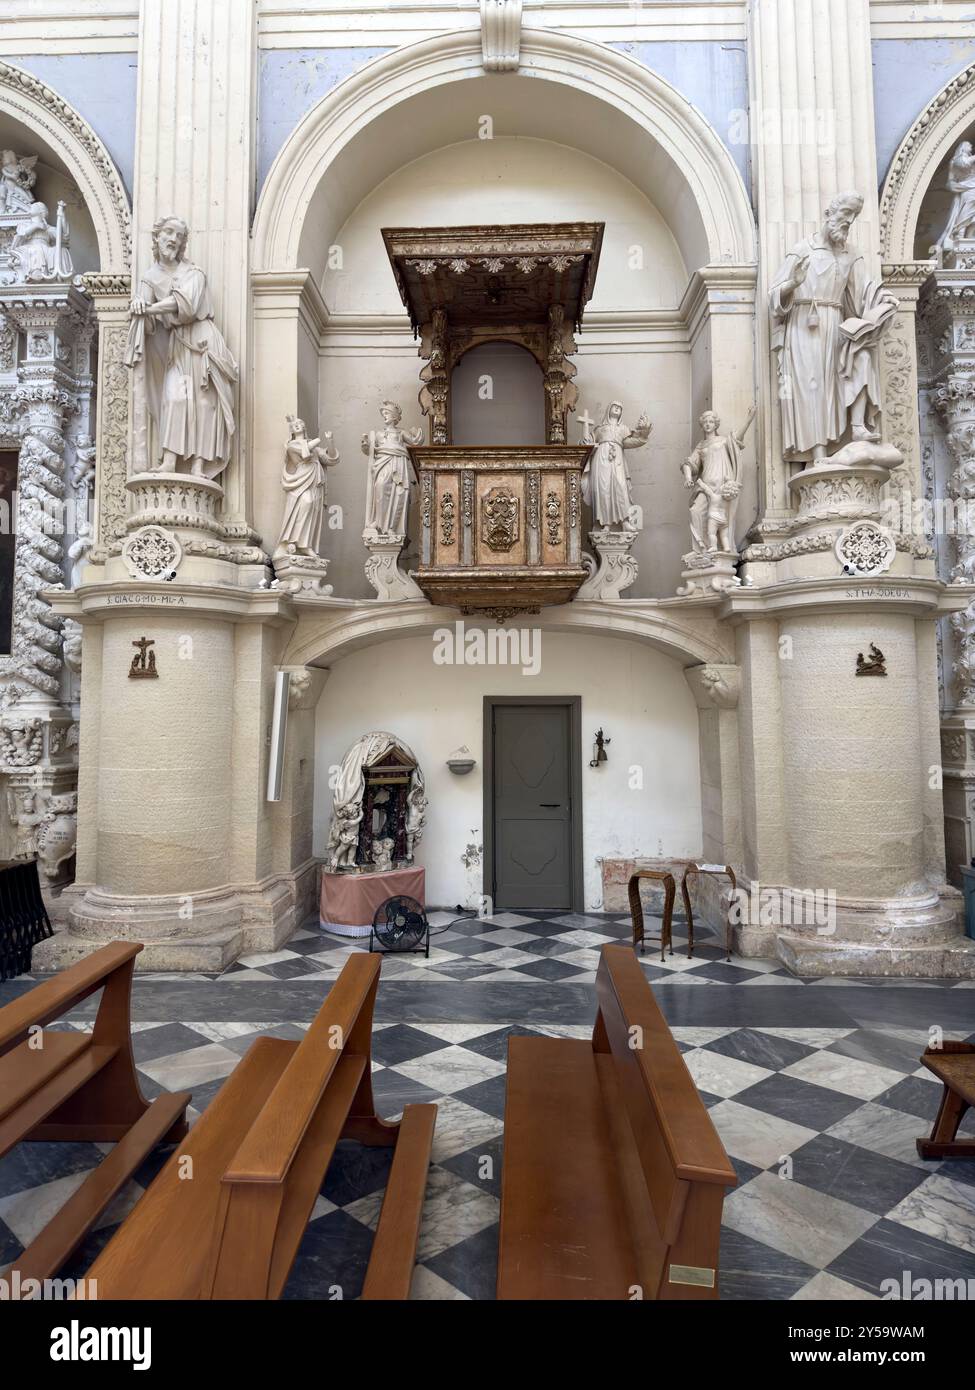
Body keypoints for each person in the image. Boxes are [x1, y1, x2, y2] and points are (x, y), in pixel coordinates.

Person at [770, 191, 897, 462]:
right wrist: (793, 283)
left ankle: (857, 427)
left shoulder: (852, 255)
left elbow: (863, 293)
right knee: (811, 387)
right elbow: (773, 299)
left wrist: (882, 301)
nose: (848, 221)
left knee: (858, 361)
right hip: (804, 326)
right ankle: (818, 454)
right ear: (829, 214)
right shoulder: (803, 249)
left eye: (853, 217)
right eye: (845, 214)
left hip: (837, 326)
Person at [125, 214, 238, 478]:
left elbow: (184, 305)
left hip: (203, 340)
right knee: (175, 397)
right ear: (156, 236)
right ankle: (169, 461)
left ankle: (199, 464)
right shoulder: (150, 277)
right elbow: (140, 308)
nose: (174, 239)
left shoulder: (193, 273)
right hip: (177, 345)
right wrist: (138, 305)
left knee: (203, 402)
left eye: (179, 236)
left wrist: (148, 308)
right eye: (168, 232)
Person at [683, 406, 756, 554]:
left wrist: (748, 420)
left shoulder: (724, 441)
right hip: (705, 486)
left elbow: (737, 439)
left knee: (724, 520)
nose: (708, 424)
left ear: (716, 424)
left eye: (711, 421)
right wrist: (688, 477)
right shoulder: (701, 445)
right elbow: (688, 463)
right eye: (705, 422)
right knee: (695, 511)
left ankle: (722, 550)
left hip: (723, 487)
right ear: (702, 425)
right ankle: (701, 549)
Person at [275, 415, 339, 558]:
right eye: (294, 424)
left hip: (315, 481)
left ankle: (305, 545)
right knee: (306, 503)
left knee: (313, 510)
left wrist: (330, 442)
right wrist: (318, 440)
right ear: (292, 429)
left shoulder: (313, 446)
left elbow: (331, 459)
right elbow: (305, 454)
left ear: (304, 426)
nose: (297, 425)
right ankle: (292, 541)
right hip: (301, 479)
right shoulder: (292, 446)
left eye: (300, 423)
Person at [579, 401, 651, 528]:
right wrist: (585, 441)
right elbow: (588, 442)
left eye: (620, 407)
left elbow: (637, 440)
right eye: (615, 406)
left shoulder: (623, 429)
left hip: (617, 460)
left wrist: (644, 430)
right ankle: (605, 523)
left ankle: (625, 521)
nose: (617, 408)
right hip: (600, 460)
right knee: (603, 489)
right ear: (609, 409)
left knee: (621, 487)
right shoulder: (599, 429)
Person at [362, 400, 423, 538]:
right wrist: (365, 444)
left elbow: (416, 442)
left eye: (387, 413)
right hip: (382, 464)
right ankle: (378, 523)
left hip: (397, 464)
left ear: (395, 416)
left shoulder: (401, 432)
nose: (384, 416)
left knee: (399, 493)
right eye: (383, 413)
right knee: (380, 487)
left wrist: (417, 432)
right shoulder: (377, 434)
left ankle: (391, 527)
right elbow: (370, 451)